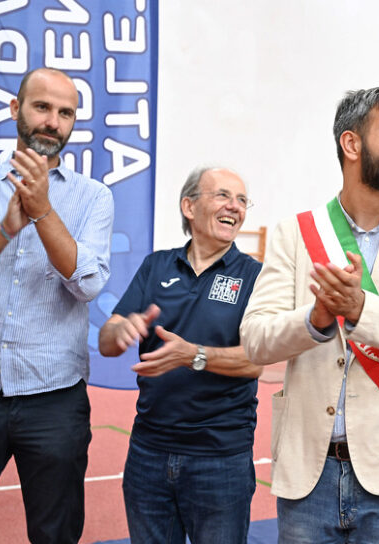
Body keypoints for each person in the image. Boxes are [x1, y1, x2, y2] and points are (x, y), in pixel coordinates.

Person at [240, 85, 379, 544]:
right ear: (352, 144)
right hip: (309, 472)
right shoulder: (295, 233)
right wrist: (316, 319)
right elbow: (255, 340)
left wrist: (361, 308)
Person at [98, 166, 263, 543]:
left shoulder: (255, 276)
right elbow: (107, 342)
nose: (235, 207)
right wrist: (119, 330)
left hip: (221, 459)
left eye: (242, 200)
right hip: (148, 452)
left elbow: (257, 360)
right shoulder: (156, 265)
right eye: (223, 195)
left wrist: (194, 355)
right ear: (189, 206)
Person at [0, 68, 114, 543]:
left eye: (65, 113)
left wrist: (42, 211)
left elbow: (88, 285)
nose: (53, 121)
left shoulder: (93, 197)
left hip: (55, 398)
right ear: (14, 109)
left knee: (55, 533)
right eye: (42, 107)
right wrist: (6, 229)